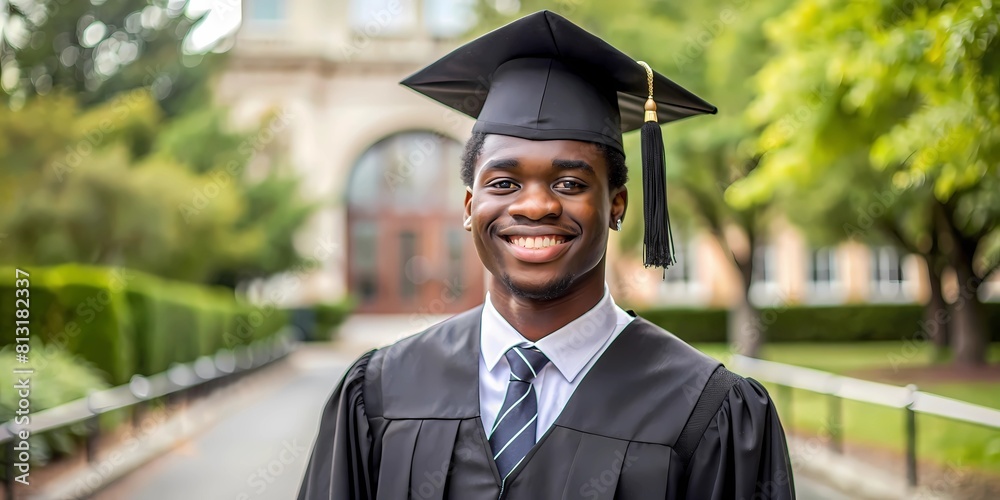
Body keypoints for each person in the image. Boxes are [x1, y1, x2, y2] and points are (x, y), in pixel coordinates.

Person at [297, 10, 794, 500]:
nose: (535, 205)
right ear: (471, 207)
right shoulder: (383, 391)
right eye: (504, 182)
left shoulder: (706, 409)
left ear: (616, 205)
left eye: (570, 182)